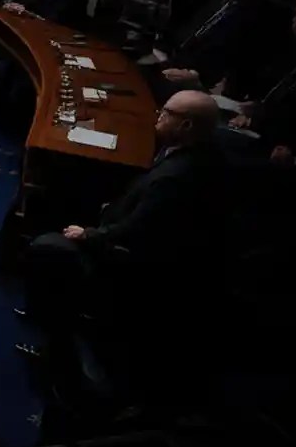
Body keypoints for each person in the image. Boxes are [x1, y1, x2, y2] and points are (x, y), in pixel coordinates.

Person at [20, 90, 227, 400]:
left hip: (133, 262)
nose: (159, 114)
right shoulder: (196, 153)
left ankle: (57, 344)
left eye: (167, 112)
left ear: (186, 126)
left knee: (47, 246)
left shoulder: (175, 177)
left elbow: (136, 232)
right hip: (132, 229)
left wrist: (87, 234)